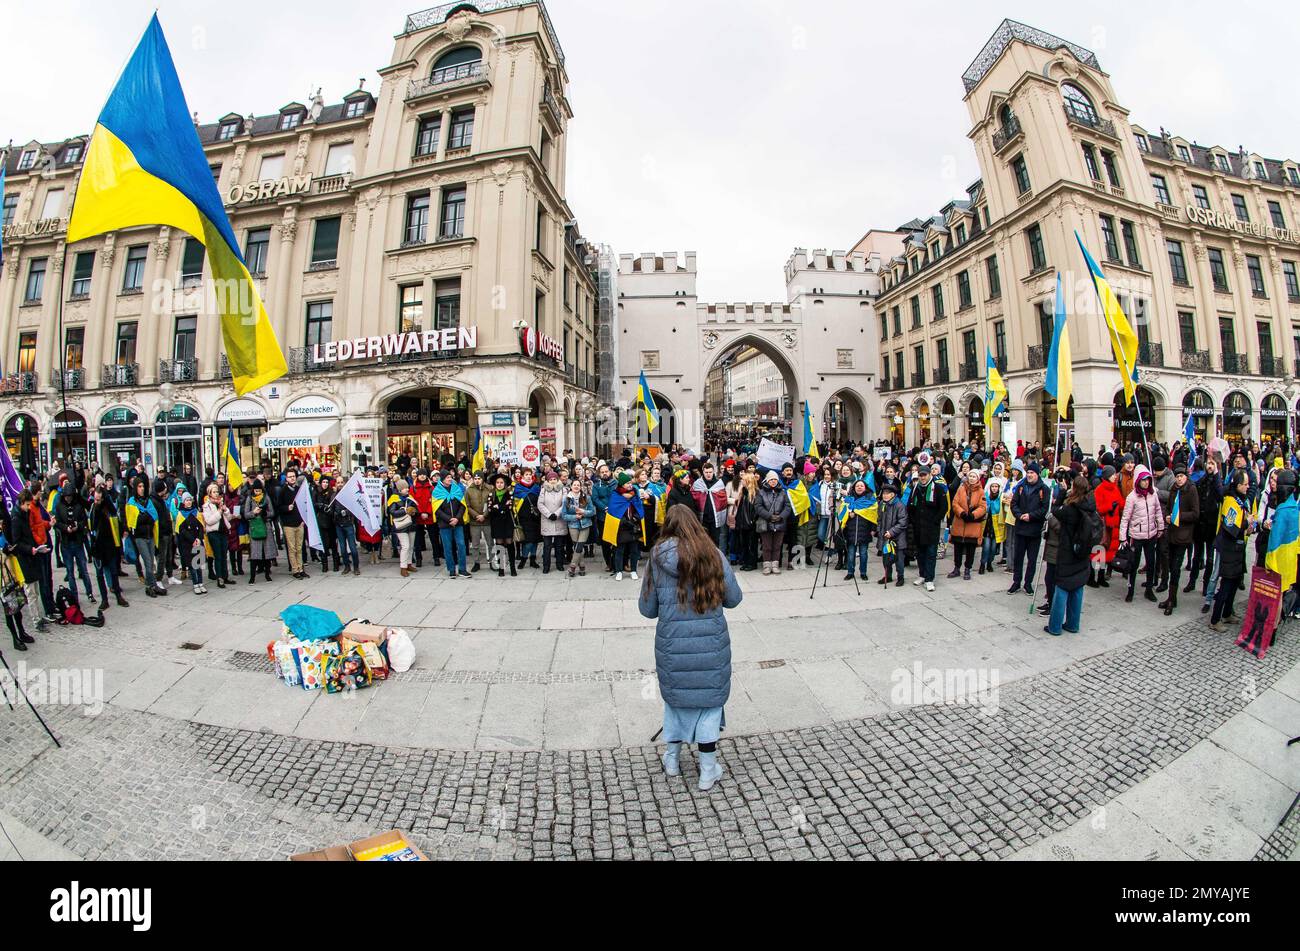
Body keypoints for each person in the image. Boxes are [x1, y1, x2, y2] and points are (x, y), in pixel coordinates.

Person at [638, 505, 743, 792]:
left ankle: (672, 759)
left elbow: (647, 609)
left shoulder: (656, 559)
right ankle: (708, 770)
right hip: (711, 643)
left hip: (673, 644)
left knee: (676, 701)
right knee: (709, 706)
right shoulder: (713, 554)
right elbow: (734, 598)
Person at [1045, 477, 1096, 636]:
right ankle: (1073, 624)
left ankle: (1055, 626)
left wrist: (1061, 492)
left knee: (1062, 588)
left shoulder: (1070, 509)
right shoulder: (1090, 506)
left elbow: (1054, 510)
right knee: (1077, 587)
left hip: (1068, 551)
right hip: (1083, 551)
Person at [1161, 466, 1200, 616]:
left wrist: (1179, 516)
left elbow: (1195, 514)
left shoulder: (1191, 490)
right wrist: (1168, 516)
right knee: (1171, 566)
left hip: (1183, 535)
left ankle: (1171, 599)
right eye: (1177, 476)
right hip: (1172, 533)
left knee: (1176, 568)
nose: (1179, 479)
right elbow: (1169, 507)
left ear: (1186, 477)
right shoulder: (1173, 489)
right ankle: (1172, 597)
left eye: (1182, 476)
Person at [1008, 463, 1049, 596]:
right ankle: (1016, 581)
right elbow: (1013, 504)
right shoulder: (1020, 486)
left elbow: (1044, 508)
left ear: (1037, 474)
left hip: (1034, 530)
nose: (1030, 475)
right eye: (1029, 472)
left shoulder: (1044, 489)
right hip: (1020, 527)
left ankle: (1028, 583)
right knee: (1018, 557)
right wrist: (1019, 515)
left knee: (1032, 559)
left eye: (1033, 473)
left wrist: (1031, 516)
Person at [908, 465, 948, 592]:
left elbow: (943, 508)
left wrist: (935, 521)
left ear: (930, 475)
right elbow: (910, 507)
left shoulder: (938, 488)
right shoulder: (915, 488)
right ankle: (922, 574)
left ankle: (929, 579)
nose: (923, 477)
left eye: (925, 475)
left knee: (931, 554)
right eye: (920, 475)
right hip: (919, 527)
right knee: (920, 553)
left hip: (932, 527)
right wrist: (914, 521)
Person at [88, 484, 129, 608]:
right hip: (98, 547)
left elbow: (116, 519)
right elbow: (92, 525)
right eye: (95, 499)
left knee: (114, 572)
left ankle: (118, 596)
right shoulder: (93, 508)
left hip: (110, 545)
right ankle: (104, 600)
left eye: (99, 499)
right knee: (100, 574)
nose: (97, 501)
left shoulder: (108, 509)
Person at [948, 468, 986, 582]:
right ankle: (956, 567)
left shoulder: (981, 491)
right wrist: (962, 513)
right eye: (970, 476)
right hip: (960, 522)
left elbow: (983, 507)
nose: (972, 478)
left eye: (974, 476)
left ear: (978, 478)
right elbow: (955, 503)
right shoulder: (961, 488)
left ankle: (967, 569)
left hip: (972, 525)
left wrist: (973, 515)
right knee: (957, 547)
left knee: (970, 549)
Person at [435, 471, 471, 579]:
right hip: (444, 524)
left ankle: (462, 569)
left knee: (461, 545)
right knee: (447, 547)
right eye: (447, 477)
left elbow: (462, 505)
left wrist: (457, 518)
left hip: (458, 523)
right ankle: (451, 570)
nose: (449, 479)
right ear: (442, 479)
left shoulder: (456, 489)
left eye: (450, 477)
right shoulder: (437, 491)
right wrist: (449, 519)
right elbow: (437, 510)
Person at [754, 470, 792, 576]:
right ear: (768, 480)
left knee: (777, 545)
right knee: (767, 545)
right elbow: (758, 507)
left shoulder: (783, 493)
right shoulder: (761, 492)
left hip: (780, 523)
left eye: (775, 479)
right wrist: (769, 516)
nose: (773, 481)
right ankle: (767, 565)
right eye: (771, 479)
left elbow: (787, 506)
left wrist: (781, 516)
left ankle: (775, 565)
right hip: (766, 523)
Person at [840, 478, 875, 582]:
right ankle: (850, 572)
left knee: (864, 554)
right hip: (851, 532)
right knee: (851, 554)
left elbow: (873, 516)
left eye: (861, 486)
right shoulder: (848, 499)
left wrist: (873, 529)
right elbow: (842, 514)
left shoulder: (870, 500)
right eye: (857, 486)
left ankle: (863, 572)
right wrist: (848, 514)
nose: (859, 487)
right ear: (854, 488)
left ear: (865, 488)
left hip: (865, 532)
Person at [244, 481, 278, 584]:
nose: (257, 492)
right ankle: (252, 577)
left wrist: (265, 513)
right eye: (255, 490)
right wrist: (253, 513)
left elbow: (272, 513)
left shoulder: (266, 498)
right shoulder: (249, 499)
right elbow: (246, 514)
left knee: (267, 554)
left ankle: (267, 574)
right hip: (255, 527)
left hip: (266, 526)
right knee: (255, 555)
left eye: (259, 490)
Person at [611, 473, 643, 581]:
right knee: (619, 550)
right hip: (622, 527)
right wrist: (624, 521)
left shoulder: (635, 493)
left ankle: (633, 570)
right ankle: (619, 571)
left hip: (633, 526)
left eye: (630, 482)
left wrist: (635, 518)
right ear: (622, 485)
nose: (630, 485)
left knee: (634, 550)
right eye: (627, 483)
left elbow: (639, 506)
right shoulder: (616, 495)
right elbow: (613, 510)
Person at [175, 493, 208, 595]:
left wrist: (198, 538)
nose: (189, 502)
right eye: (186, 500)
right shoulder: (180, 514)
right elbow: (181, 530)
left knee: (198, 565)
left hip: (198, 542)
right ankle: (195, 584)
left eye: (190, 500)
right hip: (188, 544)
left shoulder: (196, 512)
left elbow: (201, 526)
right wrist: (192, 540)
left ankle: (201, 583)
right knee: (193, 566)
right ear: (183, 502)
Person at [875, 481, 908, 586]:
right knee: (886, 559)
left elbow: (903, 522)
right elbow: (879, 519)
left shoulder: (899, 505)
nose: (884, 495)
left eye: (887, 493)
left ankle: (900, 577)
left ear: (893, 494)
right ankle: (888, 575)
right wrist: (880, 531)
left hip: (897, 538)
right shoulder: (881, 504)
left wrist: (891, 532)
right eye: (883, 493)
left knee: (899, 560)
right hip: (885, 537)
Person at [537, 469, 568, 574]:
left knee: (559, 545)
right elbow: (540, 504)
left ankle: (559, 564)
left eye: (555, 479)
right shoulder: (543, 490)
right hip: (547, 520)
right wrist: (549, 514)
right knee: (547, 546)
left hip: (559, 520)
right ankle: (546, 566)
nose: (553, 481)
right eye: (551, 479)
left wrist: (557, 513)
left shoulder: (563, 490)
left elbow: (565, 503)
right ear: (548, 481)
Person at [487, 473, 517, 578]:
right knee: (499, 544)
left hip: (508, 522)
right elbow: (490, 508)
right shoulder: (491, 494)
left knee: (509, 543)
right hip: (496, 523)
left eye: (501, 482)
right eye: (497, 483)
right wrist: (501, 508)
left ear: (505, 484)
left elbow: (509, 506)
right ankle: (501, 567)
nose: (499, 484)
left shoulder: (510, 493)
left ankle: (513, 567)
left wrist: (498, 507)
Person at [561, 478, 593, 578]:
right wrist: (575, 516)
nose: (576, 486)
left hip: (585, 525)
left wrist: (583, 512)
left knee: (579, 546)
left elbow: (593, 511)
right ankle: (582, 565)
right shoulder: (566, 499)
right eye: (574, 485)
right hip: (573, 525)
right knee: (577, 547)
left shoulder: (586, 498)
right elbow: (564, 515)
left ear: (580, 487)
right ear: (571, 487)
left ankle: (573, 566)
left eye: (578, 485)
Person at [202, 483, 231, 589]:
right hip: (213, 533)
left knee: (224, 555)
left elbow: (229, 517)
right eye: (214, 492)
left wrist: (225, 510)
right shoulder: (207, 506)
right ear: (209, 494)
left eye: (217, 492)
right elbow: (209, 521)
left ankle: (225, 576)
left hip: (223, 531)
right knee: (218, 555)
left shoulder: (220, 503)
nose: (216, 494)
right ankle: (220, 578)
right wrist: (219, 512)